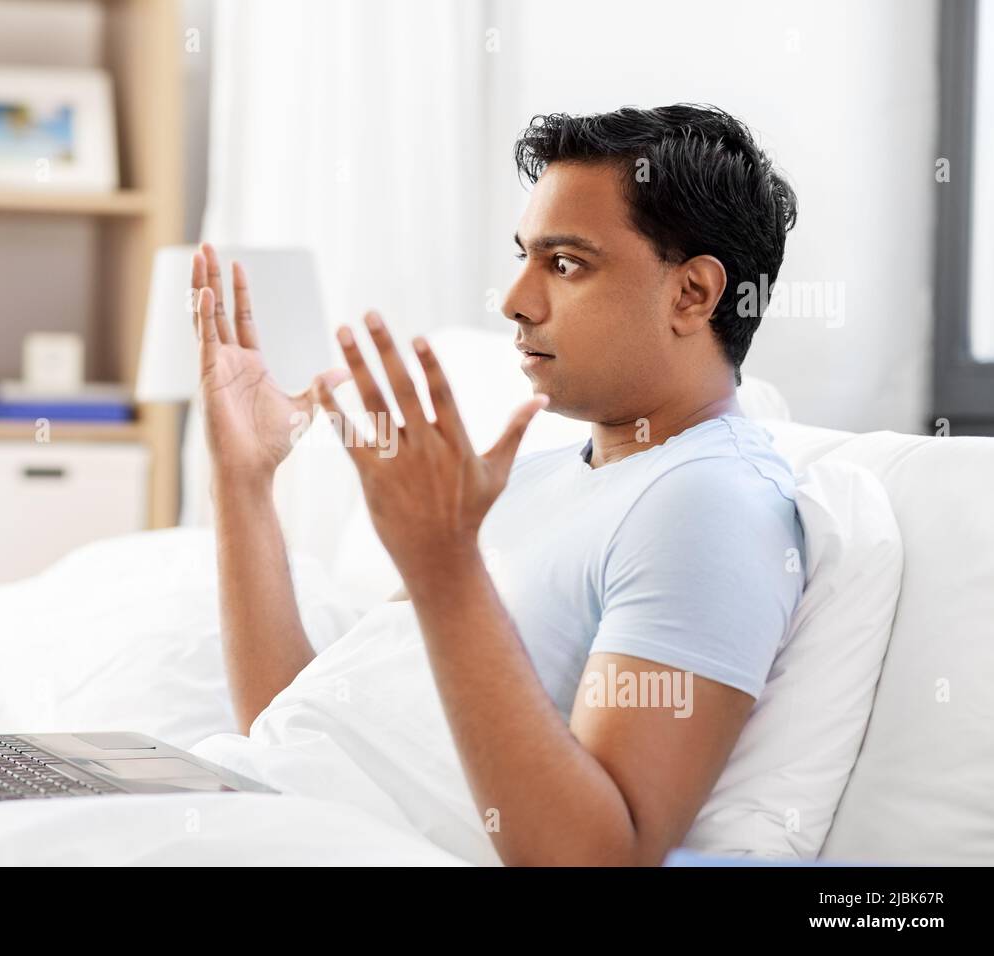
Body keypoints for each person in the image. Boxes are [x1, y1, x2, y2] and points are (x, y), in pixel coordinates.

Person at [189, 104, 805, 866]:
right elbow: (289, 727)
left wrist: (445, 566)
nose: (515, 299)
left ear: (692, 295)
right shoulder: (526, 482)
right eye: (524, 257)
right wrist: (244, 482)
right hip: (244, 812)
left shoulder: (707, 503)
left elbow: (594, 858)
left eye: (565, 263)